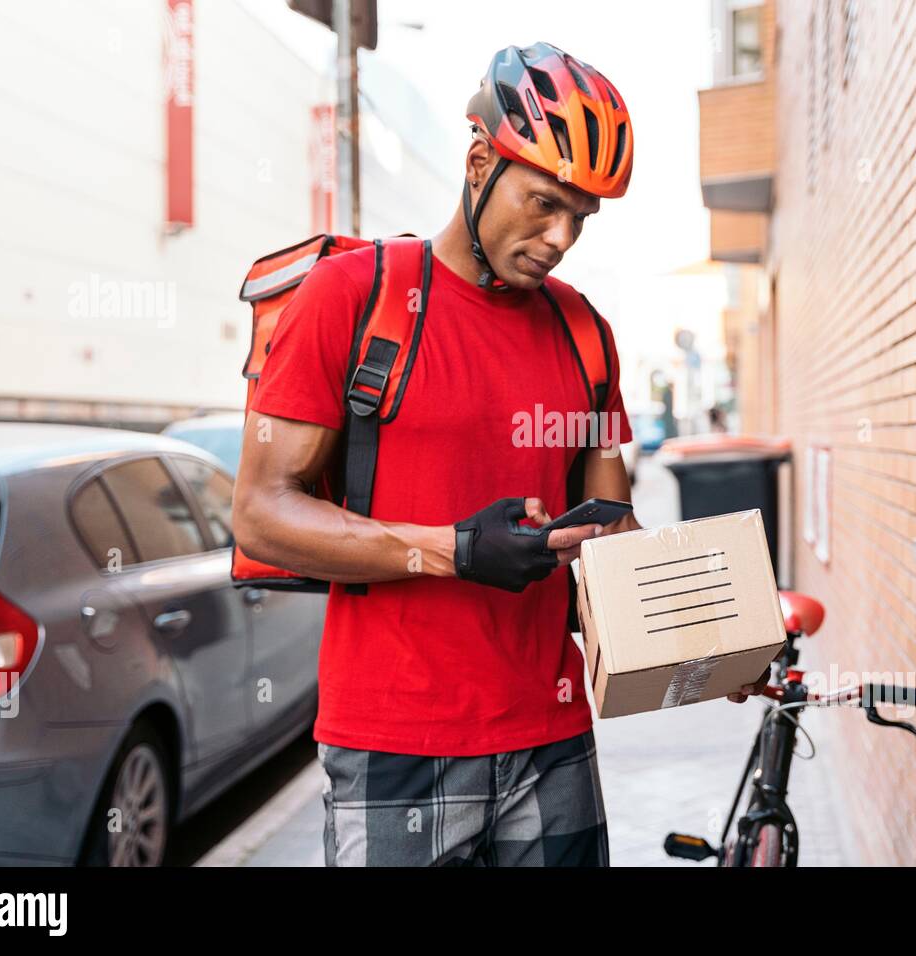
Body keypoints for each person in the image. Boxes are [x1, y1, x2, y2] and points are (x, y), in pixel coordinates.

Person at [233, 41, 763, 868]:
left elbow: (610, 533)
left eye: (581, 217)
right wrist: (456, 551)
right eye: (544, 202)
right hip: (395, 744)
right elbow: (262, 514)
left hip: (550, 737)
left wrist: (705, 644)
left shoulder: (584, 333)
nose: (559, 237)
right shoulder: (352, 297)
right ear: (480, 160)